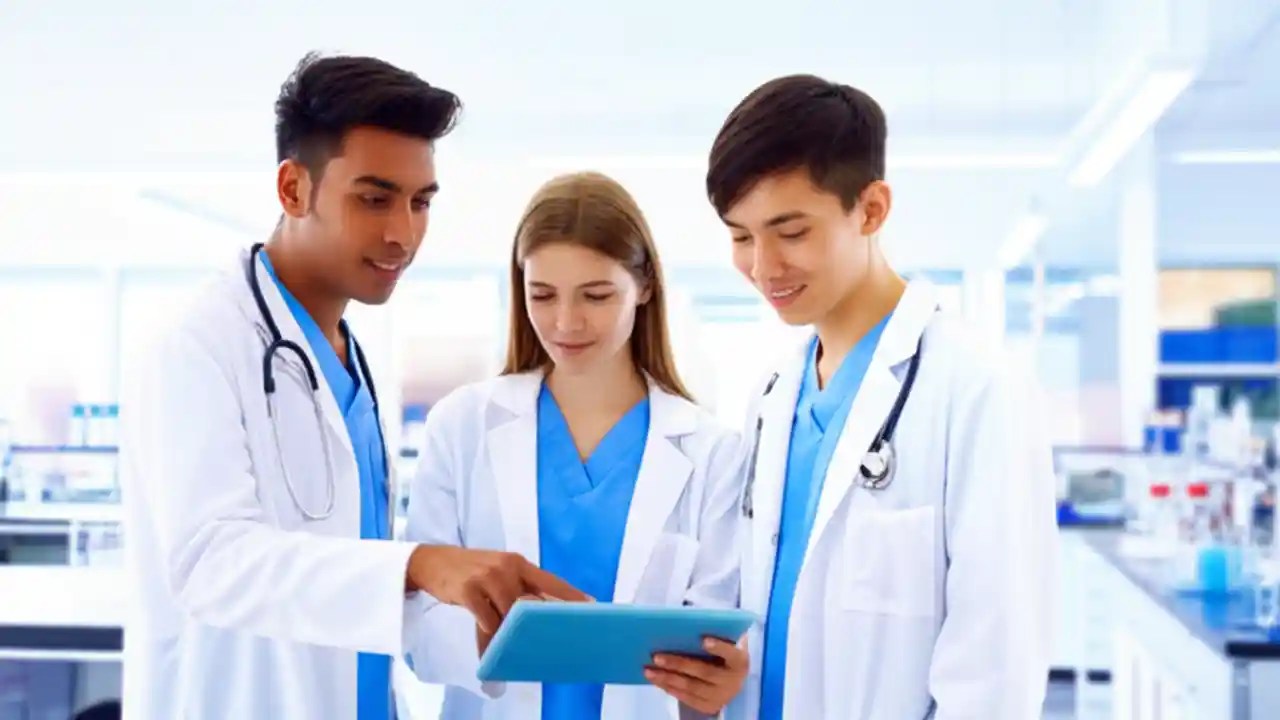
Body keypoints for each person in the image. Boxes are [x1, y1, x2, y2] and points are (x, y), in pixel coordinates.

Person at [118, 53, 586, 720]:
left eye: (421, 202)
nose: (403, 234)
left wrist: (490, 629)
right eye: (373, 199)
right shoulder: (198, 346)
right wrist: (420, 564)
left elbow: (354, 588)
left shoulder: (347, 359)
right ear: (292, 189)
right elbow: (208, 563)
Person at [705, 75, 1058, 719]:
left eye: (791, 231)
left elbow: (996, 671)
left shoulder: (976, 388)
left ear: (870, 210)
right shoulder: (772, 396)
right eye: (740, 237)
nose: (762, 266)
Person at [402, 171, 749, 719]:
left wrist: (714, 683)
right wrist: (501, 636)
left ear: (645, 287)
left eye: (596, 295)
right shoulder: (463, 426)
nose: (566, 322)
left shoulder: (712, 453)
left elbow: (715, 633)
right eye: (542, 295)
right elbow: (418, 619)